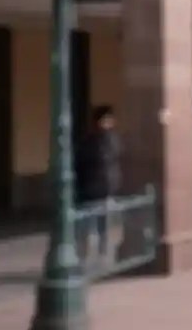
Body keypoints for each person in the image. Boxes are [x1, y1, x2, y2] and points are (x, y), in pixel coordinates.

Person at [76, 105, 122, 263]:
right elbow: (81, 166)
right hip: (91, 191)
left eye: (110, 119)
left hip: (108, 190)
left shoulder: (112, 139)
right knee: (88, 229)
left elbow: (115, 163)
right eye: (105, 119)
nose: (109, 123)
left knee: (105, 228)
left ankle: (103, 257)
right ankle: (85, 259)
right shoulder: (89, 141)